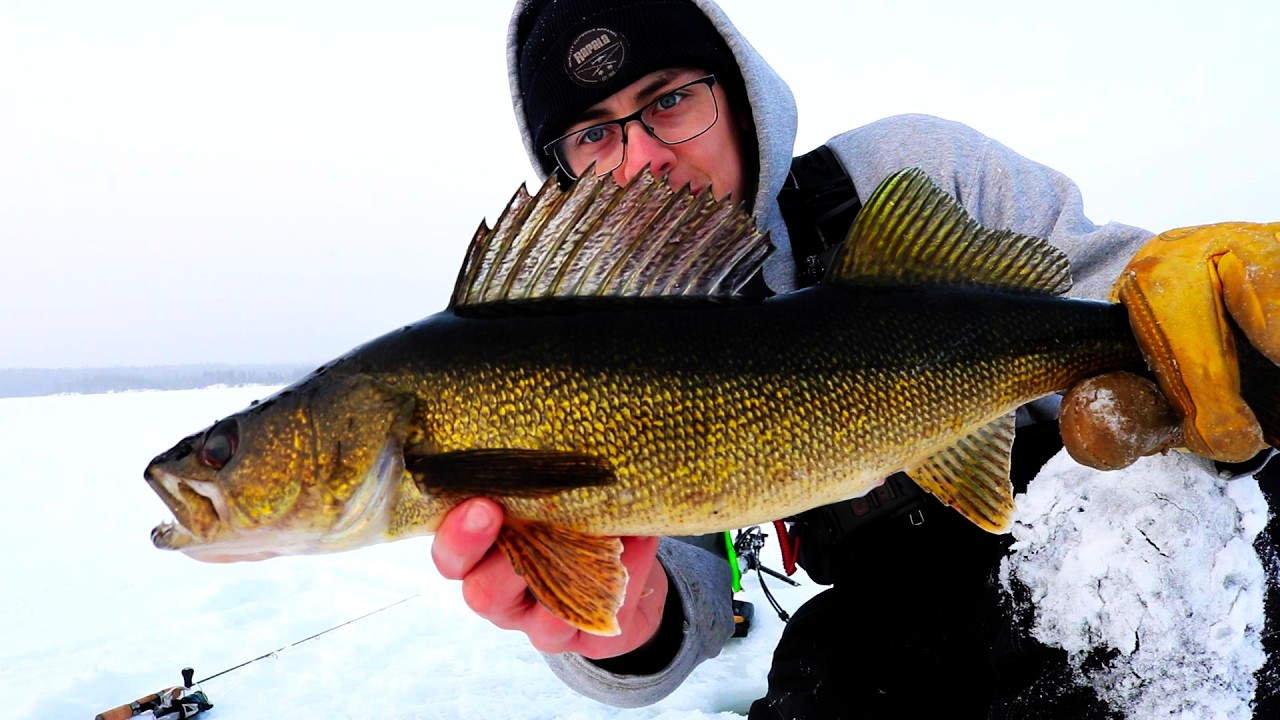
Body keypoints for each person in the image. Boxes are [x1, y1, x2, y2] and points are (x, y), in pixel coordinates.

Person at [430, 0, 1279, 717]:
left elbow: (1114, 293)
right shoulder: (604, 354)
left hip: (1106, 546)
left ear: (740, 94)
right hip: (889, 625)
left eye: (670, 99)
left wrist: (1223, 332)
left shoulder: (911, 173)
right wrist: (631, 617)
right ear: (563, 178)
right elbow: (674, 572)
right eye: (592, 137)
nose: (644, 156)